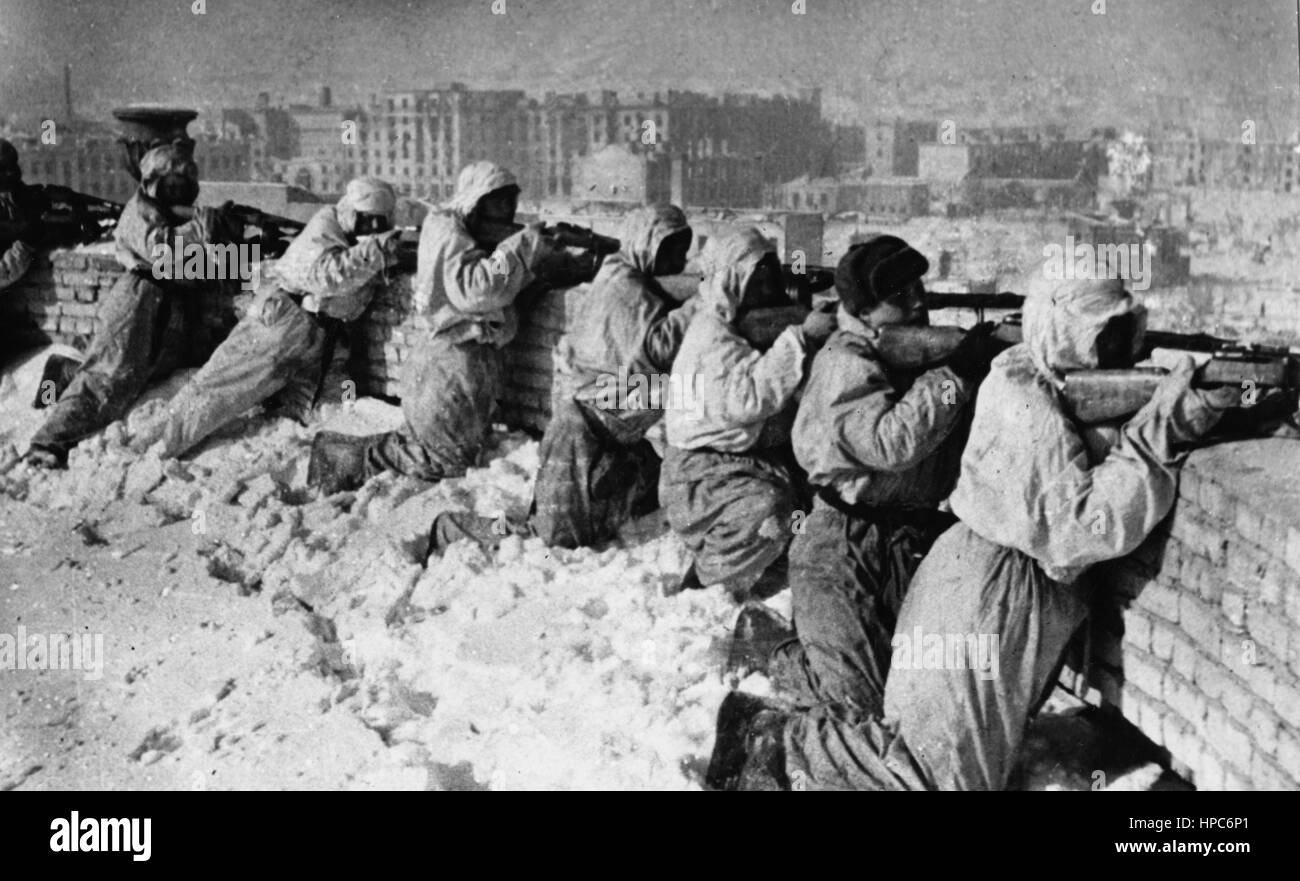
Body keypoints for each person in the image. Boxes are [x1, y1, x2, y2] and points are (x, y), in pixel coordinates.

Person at [707, 275, 1239, 790]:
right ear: (1067, 331)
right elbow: (1077, 526)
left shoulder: (1032, 377)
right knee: (936, 778)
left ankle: (790, 741)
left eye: (1128, 332)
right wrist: (1160, 435)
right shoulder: (1020, 394)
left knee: (934, 761)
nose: (1124, 348)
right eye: (1108, 335)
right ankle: (774, 740)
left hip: (980, 579)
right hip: (994, 590)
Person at [734, 236, 1002, 711]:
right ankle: (768, 646)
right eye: (899, 297)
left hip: (900, 541)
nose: (918, 303)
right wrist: (954, 376)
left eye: (918, 288)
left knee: (922, 692)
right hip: (841, 547)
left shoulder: (906, 355)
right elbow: (891, 442)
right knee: (857, 699)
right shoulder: (845, 363)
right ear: (862, 311)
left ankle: (830, 644)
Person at [428, 203, 696, 555]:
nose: (681, 258)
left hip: (610, 437)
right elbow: (655, 352)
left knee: (621, 514)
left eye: (683, 248)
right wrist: (704, 304)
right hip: (578, 439)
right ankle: (452, 528)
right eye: (671, 248)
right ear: (648, 244)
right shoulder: (625, 290)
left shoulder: (628, 278)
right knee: (546, 540)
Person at [306, 161, 561, 493]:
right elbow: (475, 290)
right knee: (439, 461)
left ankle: (347, 455)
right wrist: (521, 248)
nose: (510, 209)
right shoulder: (446, 227)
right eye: (500, 200)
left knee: (437, 454)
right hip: (448, 365)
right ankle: (336, 453)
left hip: (457, 364)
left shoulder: (461, 232)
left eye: (513, 200)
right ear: (478, 199)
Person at [129, 177, 400, 458]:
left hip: (323, 341)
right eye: (369, 221)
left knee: (333, 408)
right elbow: (326, 277)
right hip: (282, 322)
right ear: (353, 213)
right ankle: (154, 444)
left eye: (380, 223)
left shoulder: (352, 236)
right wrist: (375, 252)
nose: (373, 229)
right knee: (219, 387)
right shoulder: (325, 225)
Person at [25, 144, 238, 468]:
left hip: (171, 304)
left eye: (186, 182)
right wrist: (201, 228)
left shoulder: (171, 213)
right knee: (108, 381)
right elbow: (161, 251)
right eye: (174, 182)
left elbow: (194, 264)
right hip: (139, 298)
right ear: (155, 181)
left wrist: (229, 244)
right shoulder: (139, 210)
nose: (183, 189)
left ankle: (65, 372)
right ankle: (49, 442)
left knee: (147, 375)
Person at [658, 227, 836, 602]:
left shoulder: (725, 325)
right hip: (699, 477)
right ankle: (704, 590)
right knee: (767, 510)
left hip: (735, 463)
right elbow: (752, 398)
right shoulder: (712, 336)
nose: (770, 290)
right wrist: (799, 338)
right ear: (733, 281)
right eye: (761, 280)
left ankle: (764, 580)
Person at [0, 138, 48, 297]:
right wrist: (26, 244)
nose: (12, 172)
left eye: (13, 164)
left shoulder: (17, 195)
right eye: (3, 167)